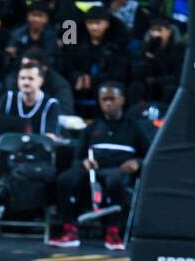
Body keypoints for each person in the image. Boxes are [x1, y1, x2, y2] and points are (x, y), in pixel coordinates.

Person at [49, 81, 146, 250]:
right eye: (104, 99)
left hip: (119, 170)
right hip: (93, 170)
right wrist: (84, 162)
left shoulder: (135, 128)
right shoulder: (92, 128)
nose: (108, 103)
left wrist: (137, 162)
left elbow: (149, 155)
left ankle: (114, 232)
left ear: (122, 100)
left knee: (116, 180)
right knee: (66, 179)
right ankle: (69, 229)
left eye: (112, 99)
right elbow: (78, 158)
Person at [0, 58, 60, 136]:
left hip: (37, 147)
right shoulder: (8, 98)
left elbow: (49, 138)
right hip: (7, 147)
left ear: (41, 81)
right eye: (22, 78)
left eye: (30, 78)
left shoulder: (50, 104)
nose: (26, 82)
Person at [129, 15, 182, 104]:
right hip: (147, 85)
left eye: (159, 30)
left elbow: (177, 76)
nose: (156, 34)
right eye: (153, 30)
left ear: (168, 32)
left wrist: (155, 80)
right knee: (135, 86)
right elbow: (136, 71)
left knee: (170, 89)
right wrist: (149, 57)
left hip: (165, 84)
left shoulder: (178, 50)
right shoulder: (144, 49)